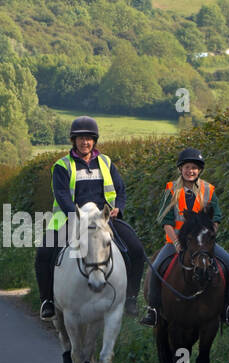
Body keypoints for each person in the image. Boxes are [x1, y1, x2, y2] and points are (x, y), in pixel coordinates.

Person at [35, 116, 147, 320]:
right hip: (71, 220)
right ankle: (47, 301)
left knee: (137, 251)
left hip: (104, 221)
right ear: (73, 140)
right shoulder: (62, 165)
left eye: (88, 138)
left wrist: (118, 209)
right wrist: (76, 215)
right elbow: (61, 194)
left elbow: (120, 189)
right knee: (43, 254)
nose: (84, 142)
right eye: (80, 138)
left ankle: (130, 298)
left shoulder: (105, 162)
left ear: (94, 140)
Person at [139, 146, 229, 326]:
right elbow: (166, 222)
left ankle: (227, 308)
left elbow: (216, 218)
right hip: (176, 241)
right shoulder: (171, 190)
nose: (191, 171)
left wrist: (207, 238)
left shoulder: (208, 189)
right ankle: (153, 310)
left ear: (199, 170)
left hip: (202, 242)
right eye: (187, 167)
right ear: (181, 169)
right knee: (156, 268)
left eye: (194, 168)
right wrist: (178, 244)